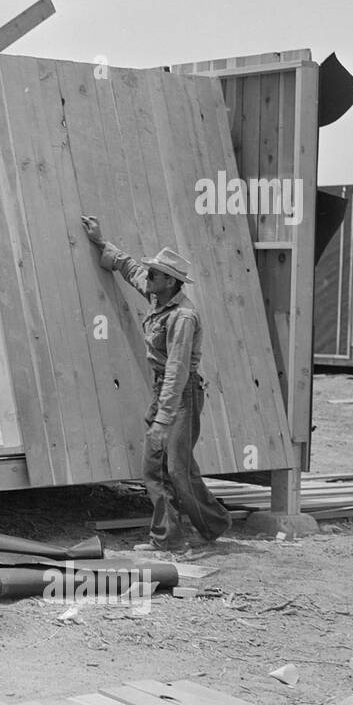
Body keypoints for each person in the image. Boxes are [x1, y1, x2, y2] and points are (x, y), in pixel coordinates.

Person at [80, 215, 232, 552]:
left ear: (171, 282)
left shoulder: (183, 317)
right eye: (151, 272)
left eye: (155, 274)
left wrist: (163, 419)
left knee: (172, 468)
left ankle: (189, 532)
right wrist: (101, 242)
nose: (148, 276)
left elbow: (177, 371)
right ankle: (190, 531)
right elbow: (130, 268)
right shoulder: (157, 296)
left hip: (180, 395)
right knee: (163, 467)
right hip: (166, 391)